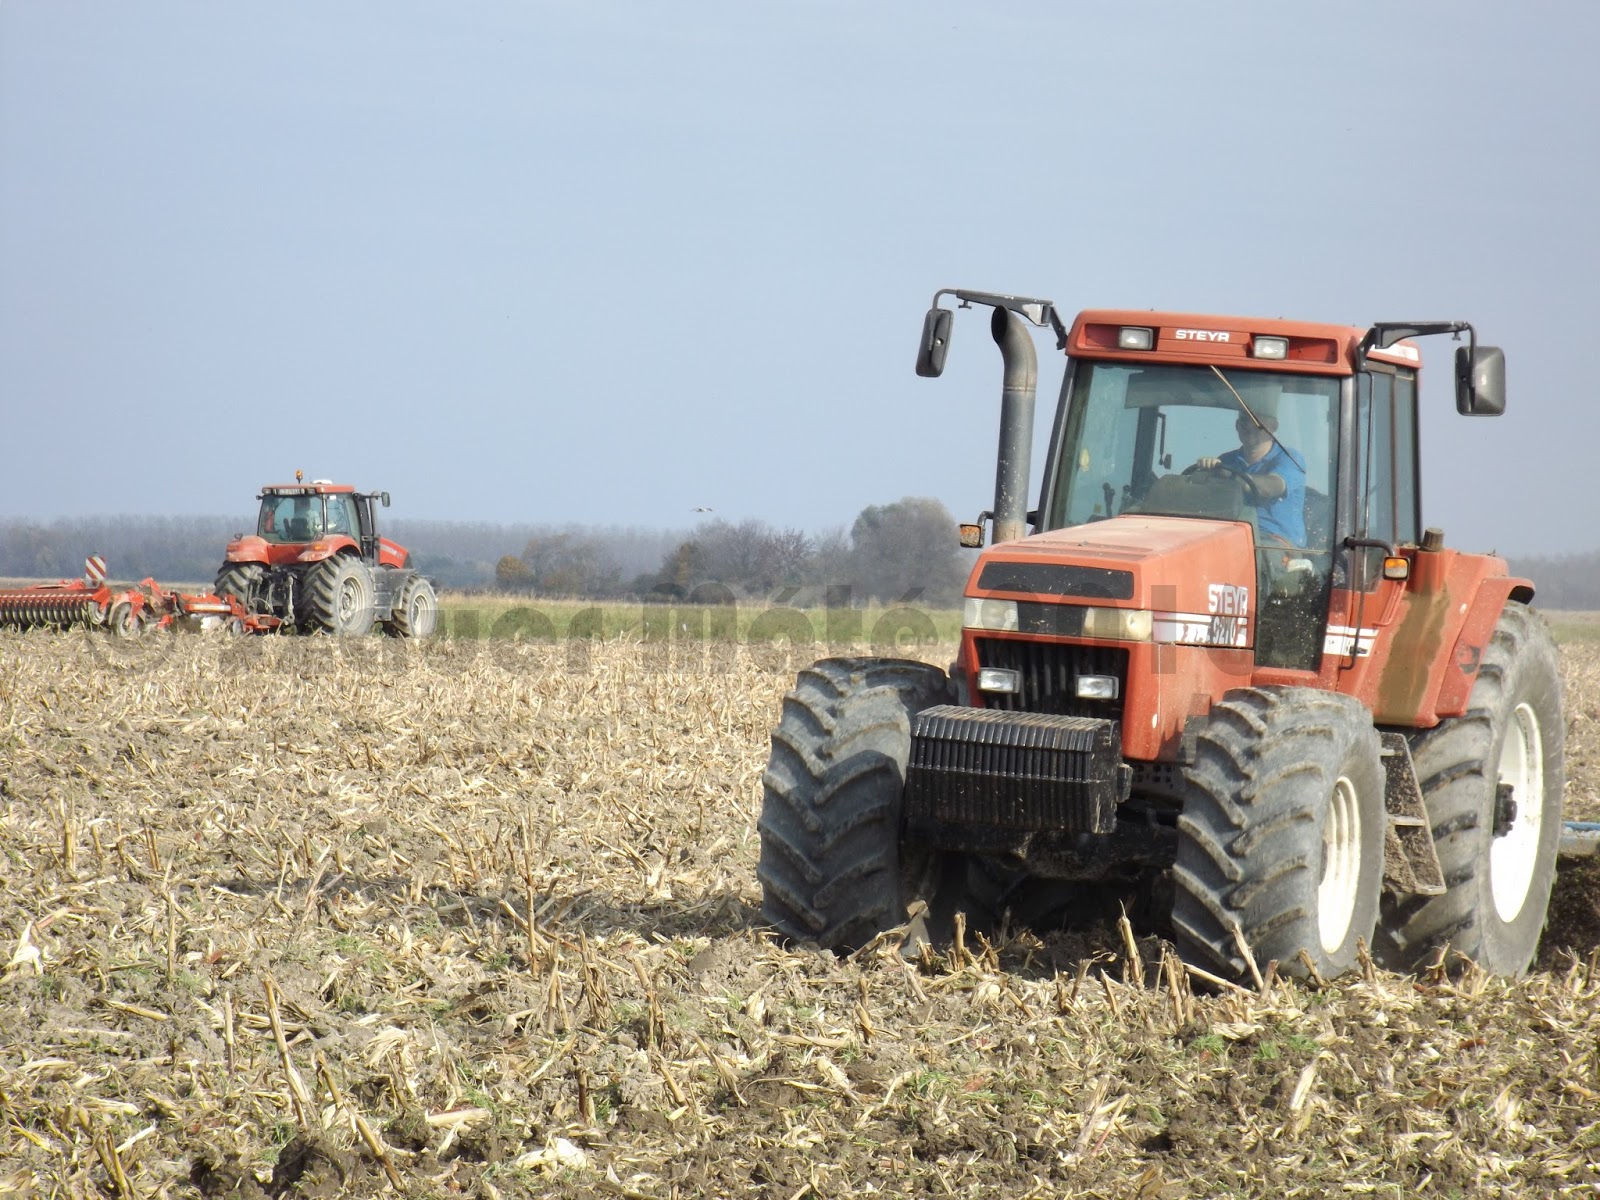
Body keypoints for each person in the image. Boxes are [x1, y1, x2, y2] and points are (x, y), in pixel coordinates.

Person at [1193, 398, 1306, 545]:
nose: (1250, 427)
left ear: (1274, 426)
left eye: (1257, 422)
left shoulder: (1290, 459)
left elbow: (1271, 487)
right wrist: (1204, 473)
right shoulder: (1225, 461)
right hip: (1229, 537)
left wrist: (1230, 476)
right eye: (1244, 422)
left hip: (1275, 546)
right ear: (1237, 426)